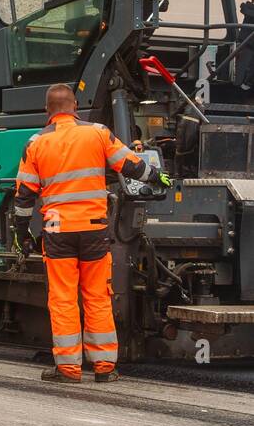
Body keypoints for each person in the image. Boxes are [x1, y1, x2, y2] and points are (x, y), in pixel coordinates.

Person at [11, 84, 169, 384]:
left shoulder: (35, 143)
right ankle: (104, 367)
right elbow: (133, 166)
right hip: (95, 230)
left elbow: (23, 197)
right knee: (97, 296)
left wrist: (22, 235)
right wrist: (157, 176)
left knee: (63, 299)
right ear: (75, 107)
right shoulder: (98, 133)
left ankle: (68, 369)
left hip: (58, 233)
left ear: (48, 112)